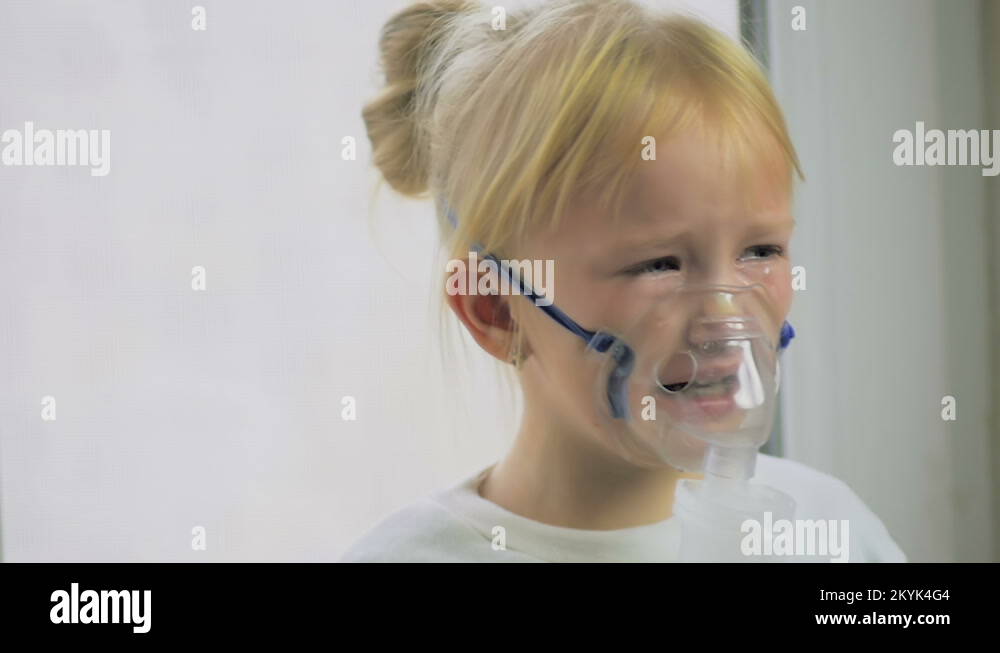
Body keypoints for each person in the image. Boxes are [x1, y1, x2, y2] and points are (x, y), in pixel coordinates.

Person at [341, 0, 907, 562]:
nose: (725, 321)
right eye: (658, 264)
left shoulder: (831, 530)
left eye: (760, 251)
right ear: (498, 309)